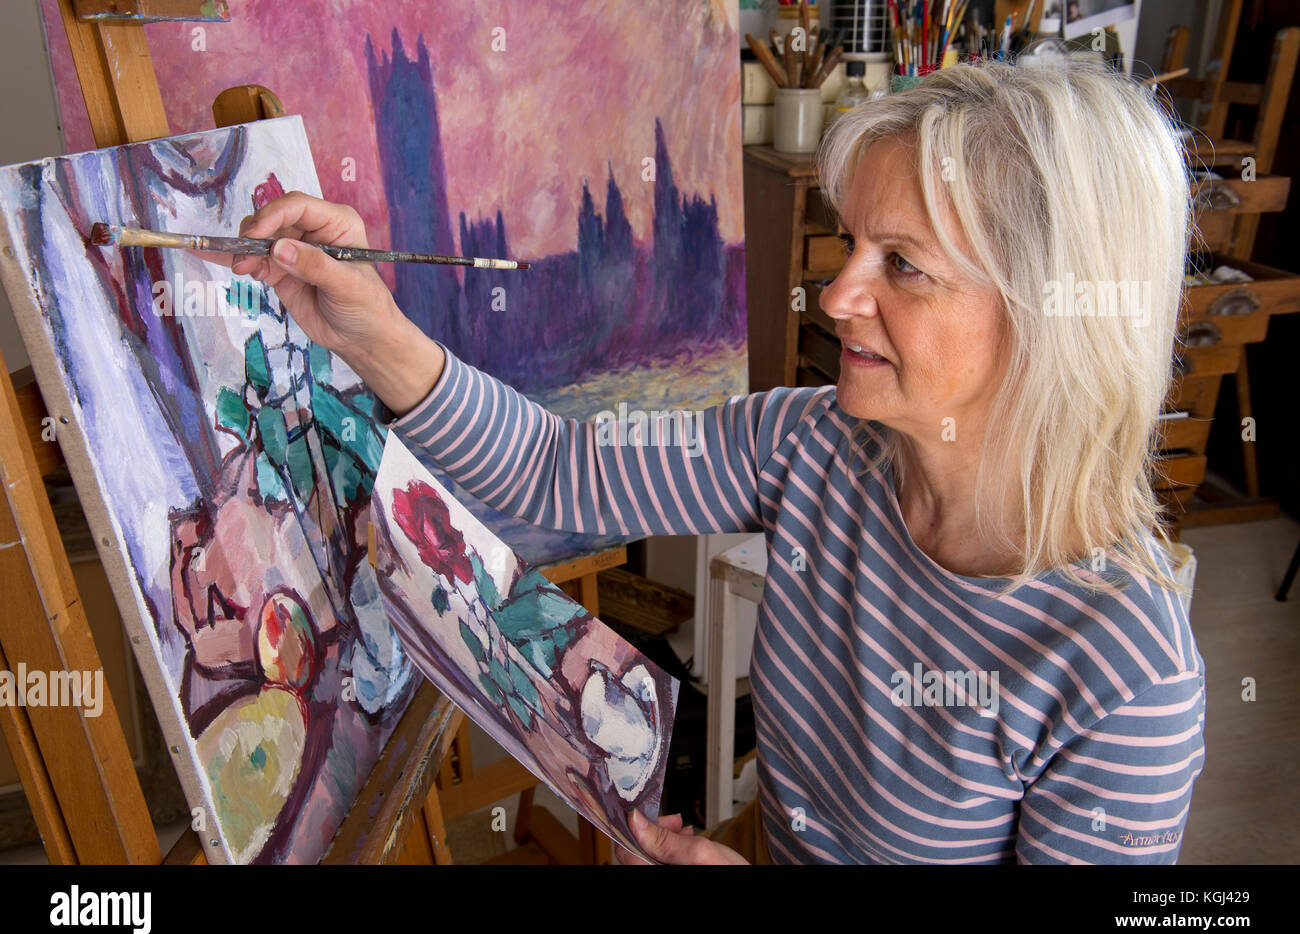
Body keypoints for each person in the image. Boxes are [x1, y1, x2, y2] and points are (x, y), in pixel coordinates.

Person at [220, 55, 1205, 864]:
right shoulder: (814, 443)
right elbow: (558, 468)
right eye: (852, 244)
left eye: (901, 265)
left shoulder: (1125, 673)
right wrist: (366, 326)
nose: (836, 295)